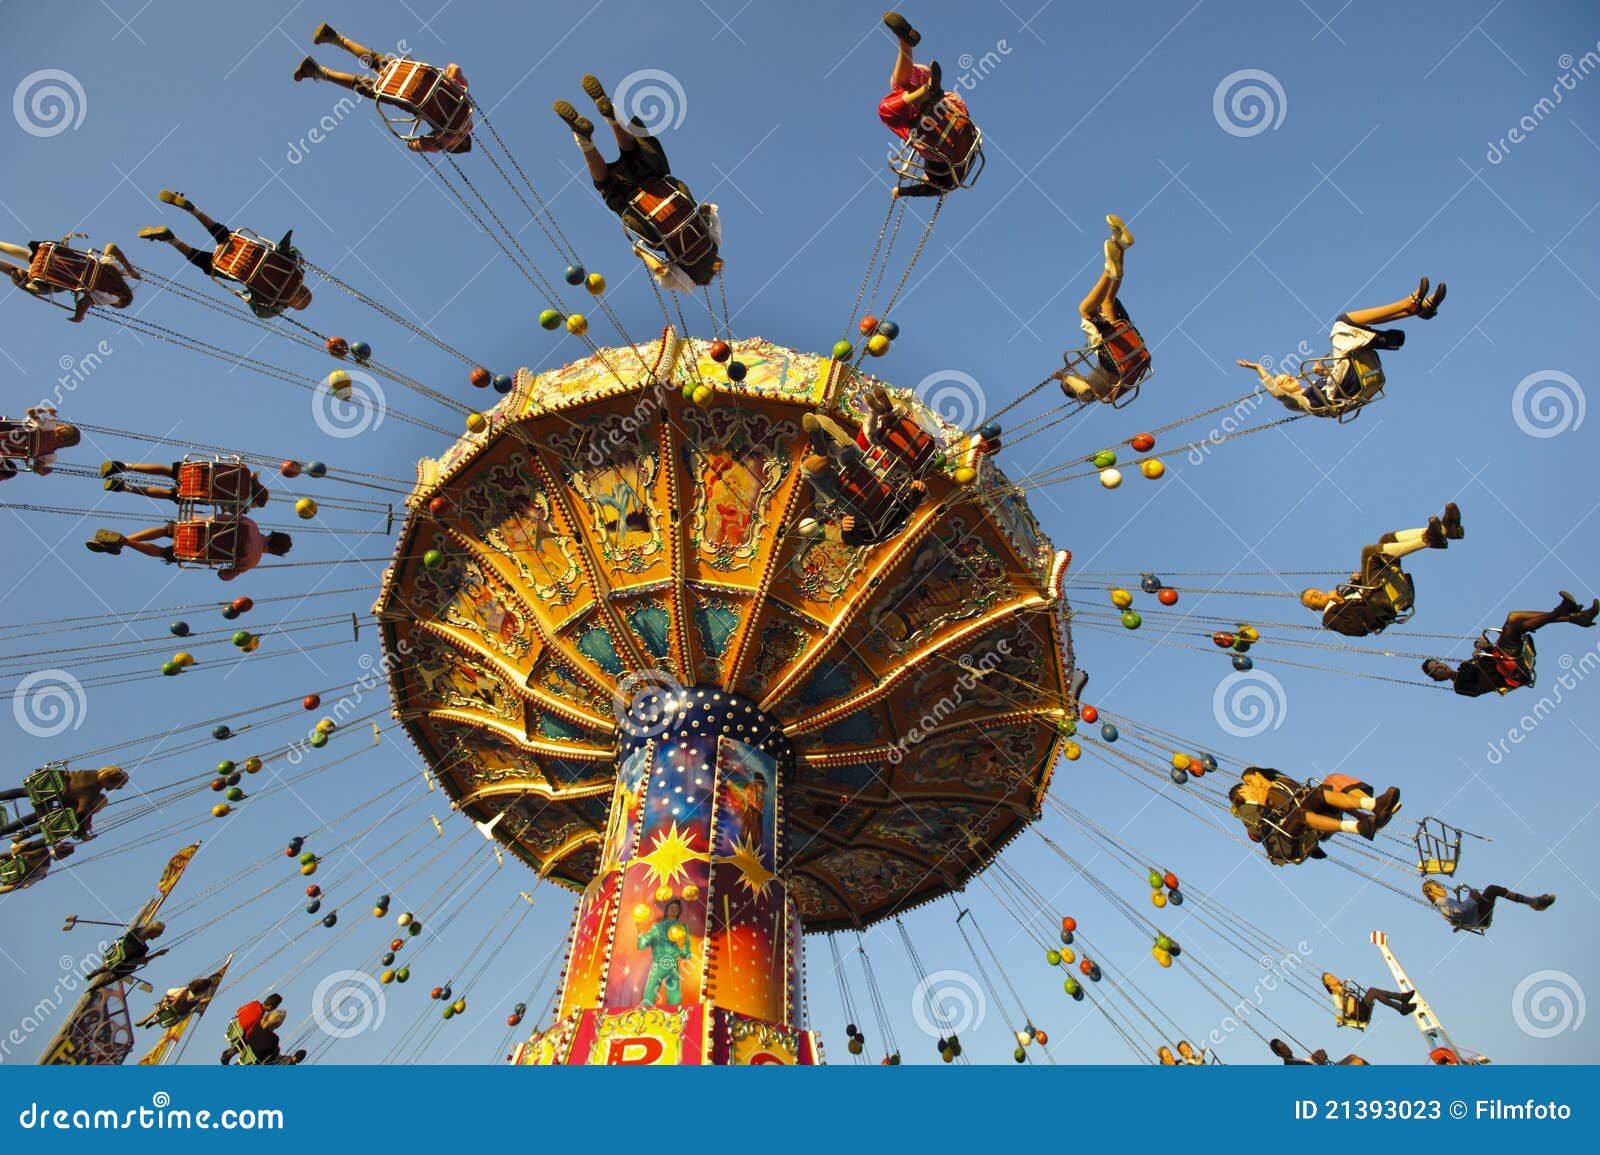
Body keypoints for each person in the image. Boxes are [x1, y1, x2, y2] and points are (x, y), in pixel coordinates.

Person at [553, 75, 721, 292]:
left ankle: (612, 116)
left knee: (635, 154)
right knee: (607, 186)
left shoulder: (714, 245)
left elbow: (710, 210)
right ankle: (585, 141)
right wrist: (640, 251)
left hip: (659, 187)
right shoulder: (688, 284)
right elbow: (662, 270)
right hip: (641, 212)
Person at [1237, 276, 1448, 418]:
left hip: (1352, 381)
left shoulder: (1314, 386)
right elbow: (1277, 394)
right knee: (1342, 324)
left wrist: (1323, 371)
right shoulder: (1298, 402)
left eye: (1288, 376)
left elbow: (1328, 380)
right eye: (1285, 381)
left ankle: (1415, 311)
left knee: (1356, 331)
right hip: (1346, 388)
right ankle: (1408, 306)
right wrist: (1259, 369)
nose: (1290, 378)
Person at [294, 24, 471, 153]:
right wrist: (413, 144)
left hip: (417, 72)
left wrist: (447, 79)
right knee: (361, 85)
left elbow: (454, 67)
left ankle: (333, 36)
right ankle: (316, 70)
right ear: (457, 146)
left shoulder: (466, 105)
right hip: (406, 95)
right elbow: (421, 146)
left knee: (374, 60)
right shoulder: (447, 139)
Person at [137, 192, 311, 318]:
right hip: (237, 269)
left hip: (251, 251)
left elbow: (290, 250)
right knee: (207, 265)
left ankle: (193, 210)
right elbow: (257, 308)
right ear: (292, 304)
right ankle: (172, 240)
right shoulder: (275, 302)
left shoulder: (298, 271)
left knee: (226, 236)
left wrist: (291, 255)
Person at [1301, 504, 1462, 637]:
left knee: (1386, 539)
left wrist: (1358, 580)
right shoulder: (1329, 617)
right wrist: (1341, 602)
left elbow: (1363, 587)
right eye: (1311, 598)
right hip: (1378, 605)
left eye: (1314, 592)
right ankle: (1430, 539)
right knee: (1369, 552)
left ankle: (1446, 531)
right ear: (1313, 608)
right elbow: (1357, 630)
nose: (1316, 595)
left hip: (1382, 587)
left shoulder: (1343, 591)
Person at [1422, 591, 1598, 697]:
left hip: (1504, 659)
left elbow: (1487, 661)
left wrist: (1484, 648)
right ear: (1437, 678)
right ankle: (1566, 614)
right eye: (1436, 670)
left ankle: (1573, 617)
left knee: (1516, 619)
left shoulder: (1463, 667)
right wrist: (1484, 653)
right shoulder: (1460, 686)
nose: (1440, 667)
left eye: (1438, 663)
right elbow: (1486, 684)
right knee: (1514, 619)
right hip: (1509, 670)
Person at [878, 12, 978, 197]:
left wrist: (901, 191)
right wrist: (901, 191)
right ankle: (924, 91)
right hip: (946, 123)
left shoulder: (947, 179)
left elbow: (927, 188)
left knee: (894, 98)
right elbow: (926, 189)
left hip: (951, 114)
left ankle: (907, 49)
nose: (922, 174)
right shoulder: (945, 181)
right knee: (893, 102)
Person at [1054, 216, 1148, 404]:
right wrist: (1064, 378)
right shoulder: (1089, 394)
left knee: (1107, 301)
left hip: (1126, 348)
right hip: (1113, 362)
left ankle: (1120, 245)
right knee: (1085, 311)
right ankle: (1108, 271)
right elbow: (1084, 390)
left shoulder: (1100, 385)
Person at [801, 412, 927, 545]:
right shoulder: (876, 535)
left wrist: (916, 492)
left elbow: (853, 540)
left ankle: (833, 449)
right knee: (828, 476)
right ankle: (830, 451)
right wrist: (917, 492)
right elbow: (853, 542)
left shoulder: (891, 524)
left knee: (858, 460)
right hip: (868, 505)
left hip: (879, 488)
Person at [1229, 767, 1400, 865]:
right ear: (1242, 792)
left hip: (1311, 817)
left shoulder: (1282, 783)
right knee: (1301, 815)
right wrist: (1259, 804)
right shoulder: (1252, 807)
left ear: (1259, 774)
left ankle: (1373, 807)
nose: (1251, 786)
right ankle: (1360, 826)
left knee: (1329, 783)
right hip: (1289, 837)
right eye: (1247, 785)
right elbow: (1258, 831)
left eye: (1251, 781)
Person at [84, 516, 291, 580]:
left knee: (168, 530)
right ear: (272, 551)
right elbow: (225, 575)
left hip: (198, 531)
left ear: (272, 534)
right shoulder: (253, 561)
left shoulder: (251, 525)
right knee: (165, 553)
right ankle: (124, 542)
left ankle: (122, 541)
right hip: (199, 552)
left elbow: (217, 518)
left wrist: (201, 521)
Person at [1, 238, 138, 322]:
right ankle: (29, 282)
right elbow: (84, 302)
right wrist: (78, 317)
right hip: (56, 276)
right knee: (23, 276)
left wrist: (130, 270)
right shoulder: (113, 297)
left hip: (60, 256)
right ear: (122, 298)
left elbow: (111, 247)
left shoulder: (117, 271)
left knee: (30, 255)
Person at [0, 765, 128, 841]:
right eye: (118, 786)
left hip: (45, 783)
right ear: (111, 781)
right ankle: (17, 833)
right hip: (49, 795)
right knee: (48, 820)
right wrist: (82, 833)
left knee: (25, 792)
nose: (116, 789)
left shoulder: (92, 773)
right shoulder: (93, 790)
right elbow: (80, 814)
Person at [100, 459, 270, 509]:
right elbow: (227, 511)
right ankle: (125, 487)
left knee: (167, 470)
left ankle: (125, 466)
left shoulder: (245, 472)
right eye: (256, 506)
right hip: (199, 493)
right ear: (255, 500)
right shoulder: (245, 504)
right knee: (169, 494)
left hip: (200, 472)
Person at [1422, 879, 1555, 933]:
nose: (1441, 888)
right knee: (1493, 890)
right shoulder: (1442, 902)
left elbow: (1458, 914)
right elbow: (1459, 913)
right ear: (1431, 892)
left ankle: (1533, 902)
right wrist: (1473, 899)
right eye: (1437, 887)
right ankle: (1534, 902)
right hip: (1479, 918)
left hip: (1476, 917)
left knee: (1493, 890)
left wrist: (1471, 899)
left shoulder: (1444, 902)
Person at [636, 898, 691, 1007]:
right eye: (672, 907)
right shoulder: (657, 927)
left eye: (676, 908)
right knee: (648, 997)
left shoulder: (683, 928)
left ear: (679, 911)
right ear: (666, 910)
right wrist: (639, 929)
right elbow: (641, 946)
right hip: (658, 965)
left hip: (673, 966)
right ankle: (645, 1019)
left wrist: (681, 945)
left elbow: (687, 955)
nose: (674, 909)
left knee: (675, 1001)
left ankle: (674, 1022)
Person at [0, 407, 80, 481]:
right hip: (5, 448)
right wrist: (40, 470)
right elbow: (36, 467)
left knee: (9, 471)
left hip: (5, 432)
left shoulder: (49, 427)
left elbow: (31, 412)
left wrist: (45, 410)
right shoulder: (51, 456)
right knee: (9, 471)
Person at [84, 922, 168, 991]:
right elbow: (142, 961)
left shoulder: (136, 931)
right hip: (120, 967)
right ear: (153, 932)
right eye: (158, 934)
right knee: (129, 966)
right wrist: (157, 954)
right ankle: (96, 987)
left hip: (112, 954)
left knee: (120, 958)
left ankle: (96, 972)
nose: (158, 937)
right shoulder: (143, 948)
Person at [1322, 972, 1415, 1026]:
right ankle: (1402, 1001)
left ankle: (1402, 1004)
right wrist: (1343, 997)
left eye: (1332, 976)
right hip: (1358, 1013)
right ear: (1327, 984)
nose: (1333, 978)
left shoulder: (1343, 986)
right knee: (1373, 991)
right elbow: (1339, 1006)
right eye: (1329, 978)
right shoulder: (1335, 993)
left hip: (1361, 1006)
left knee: (1374, 992)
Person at [0, 838, 73, 895]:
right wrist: (40, 877)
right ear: (62, 856)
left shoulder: (41, 846)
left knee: (13, 854)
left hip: (5, 863)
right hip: (11, 878)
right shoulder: (46, 866)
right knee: (17, 886)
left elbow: (14, 847)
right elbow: (26, 886)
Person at [137, 978, 212, 1028]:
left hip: (169, 1008)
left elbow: (169, 991)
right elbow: (193, 1008)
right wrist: (201, 1008)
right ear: (202, 990)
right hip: (177, 1016)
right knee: (175, 1012)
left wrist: (171, 997)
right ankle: (155, 1021)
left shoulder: (184, 990)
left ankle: (146, 1019)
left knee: (162, 1007)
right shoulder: (196, 999)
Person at [1269, 1038, 1367, 1065]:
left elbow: (1309, 1062)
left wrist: (1315, 1056)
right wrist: (1319, 1061)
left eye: (1285, 1045)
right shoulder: (1290, 1065)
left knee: (1352, 1057)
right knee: (1357, 1062)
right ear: (1279, 1054)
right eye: (1283, 1048)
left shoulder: (1294, 1060)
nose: (1287, 1048)